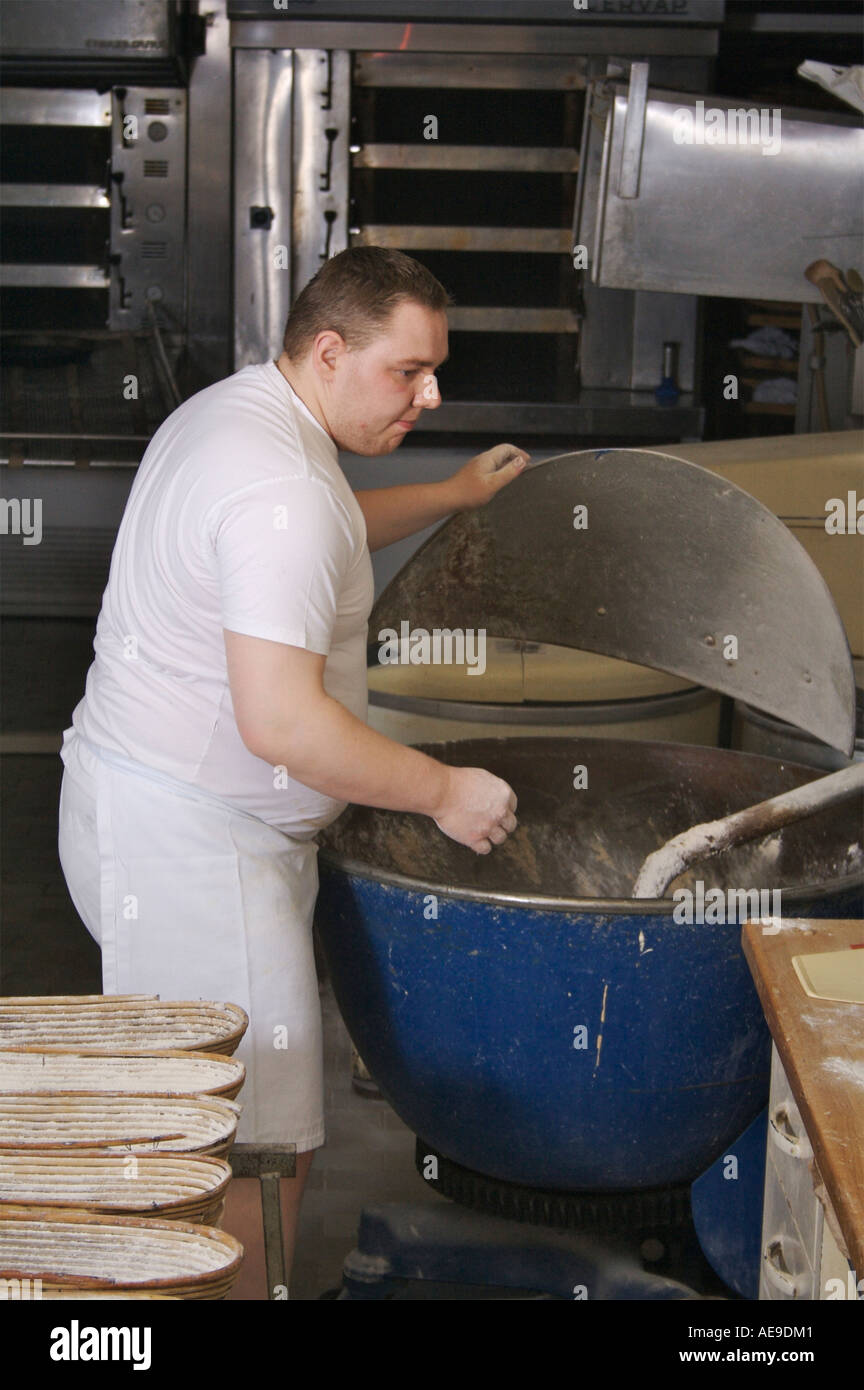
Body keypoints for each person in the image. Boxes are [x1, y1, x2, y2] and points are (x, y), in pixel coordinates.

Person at [57, 246, 528, 1287]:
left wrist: (450, 492)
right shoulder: (278, 480)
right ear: (329, 350)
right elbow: (282, 722)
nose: (431, 392)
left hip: (152, 809)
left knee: (218, 1129)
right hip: (191, 849)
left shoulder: (247, 415)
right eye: (409, 371)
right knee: (254, 1152)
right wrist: (444, 791)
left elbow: (326, 538)